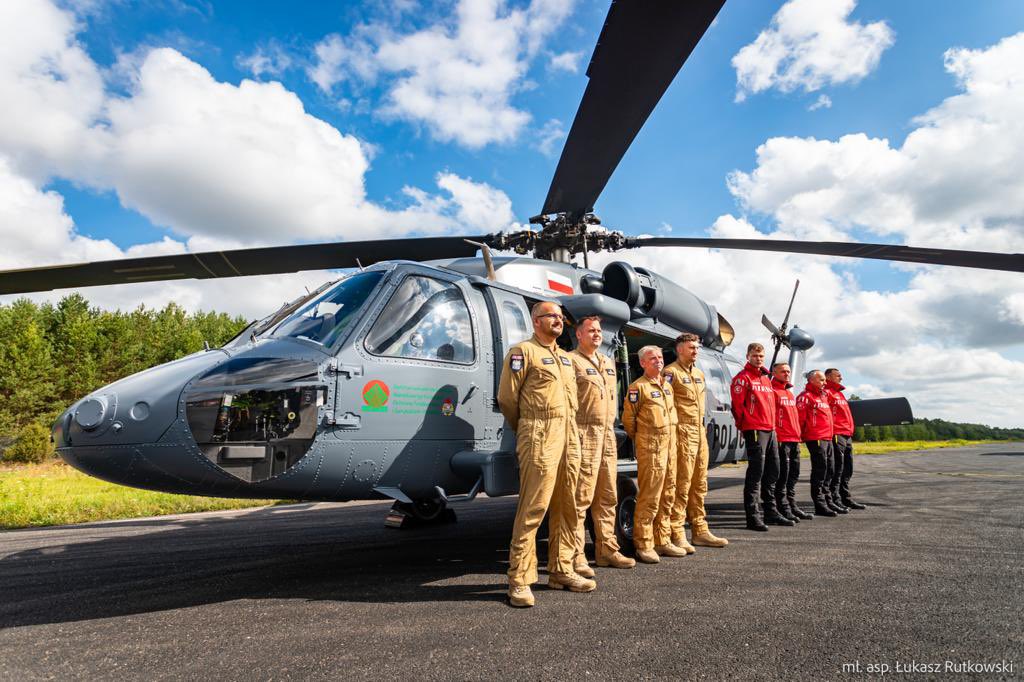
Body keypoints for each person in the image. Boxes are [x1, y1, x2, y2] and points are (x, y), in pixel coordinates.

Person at [497, 301, 590, 608]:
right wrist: (528, 427)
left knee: (569, 504)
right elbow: (507, 400)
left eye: (561, 317)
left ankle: (561, 569)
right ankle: (520, 580)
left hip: (569, 436)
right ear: (536, 321)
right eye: (552, 316)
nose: (559, 320)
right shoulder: (523, 352)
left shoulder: (565, 358)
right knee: (534, 506)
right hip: (539, 434)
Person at [569, 316, 635, 573]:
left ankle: (606, 549)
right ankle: (576, 556)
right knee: (580, 499)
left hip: (607, 434)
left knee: (608, 496)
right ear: (579, 334)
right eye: (591, 331)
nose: (597, 334)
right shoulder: (571, 361)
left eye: (598, 331)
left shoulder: (607, 362)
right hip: (584, 432)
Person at [662, 333, 728, 552]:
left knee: (700, 483)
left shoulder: (698, 373)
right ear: (679, 349)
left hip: (699, 431)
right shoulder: (670, 373)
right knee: (682, 484)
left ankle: (700, 529)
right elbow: (665, 406)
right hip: (682, 431)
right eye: (691, 347)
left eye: (697, 348)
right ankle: (677, 531)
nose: (696, 351)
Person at [621, 345, 680, 563]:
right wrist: (644, 440)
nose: (658, 361)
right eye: (652, 358)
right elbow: (629, 421)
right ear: (643, 363)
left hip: (670, 445)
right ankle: (643, 543)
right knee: (650, 496)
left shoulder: (667, 386)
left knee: (668, 493)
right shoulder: (638, 388)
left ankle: (662, 540)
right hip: (651, 447)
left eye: (660, 357)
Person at [730, 342, 789, 531]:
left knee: (774, 471)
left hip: (770, 430)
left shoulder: (766, 379)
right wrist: (745, 425)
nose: (758, 359)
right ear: (748, 356)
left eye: (761, 356)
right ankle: (753, 517)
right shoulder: (743, 378)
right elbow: (737, 407)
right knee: (756, 473)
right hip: (755, 429)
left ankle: (771, 512)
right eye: (755, 356)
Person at [771, 362, 812, 521]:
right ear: (774, 373)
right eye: (783, 371)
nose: (787, 374)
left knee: (793, 474)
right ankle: (783, 508)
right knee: (782, 475)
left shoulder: (788, 393)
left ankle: (792, 505)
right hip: (782, 439)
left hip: (794, 438)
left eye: (788, 371)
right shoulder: (773, 391)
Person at [796, 370, 838, 517]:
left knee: (830, 469)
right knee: (820, 470)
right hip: (816, 438)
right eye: (821, 380)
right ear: (811, 380)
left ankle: (828, 499)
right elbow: (800, 420)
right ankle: (819, 504)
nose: (825, 383)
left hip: (827, 437)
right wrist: (799, 437)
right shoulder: (805, 397)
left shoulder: (824, 396)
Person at [824, 368, 866, 510]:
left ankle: (845, 497)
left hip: (847, 434)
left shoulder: (840, 394)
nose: (841, 378)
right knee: (838, 468)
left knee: (848, 468)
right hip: (837, 434)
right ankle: (834, 498)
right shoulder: (827, 393)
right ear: (828, 377)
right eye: (838, 376)